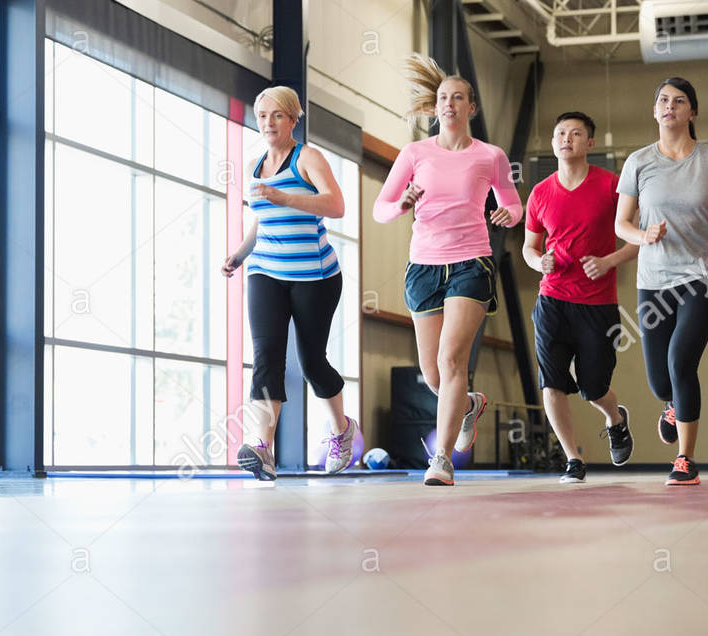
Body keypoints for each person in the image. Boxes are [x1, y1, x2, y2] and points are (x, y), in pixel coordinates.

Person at [372, 54, 522, 486]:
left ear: (471, 108)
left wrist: (508, 215)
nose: (449, 104)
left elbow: (512, 203)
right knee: (435, 374)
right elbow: (382, 207)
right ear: (435, 108)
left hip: (470, 262)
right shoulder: (415, 153)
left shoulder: (489, 156)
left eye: (458, 98)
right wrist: (401, 205)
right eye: (443, 98)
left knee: (452, 358)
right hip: (423, 265)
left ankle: (441, 458)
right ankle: (470, 404)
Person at [223, 86, 356, 480]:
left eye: (277, 115)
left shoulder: (309, 158)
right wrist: (240, 254)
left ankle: (341, 430)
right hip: (265, 270)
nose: (268, 123)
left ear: (294, 119)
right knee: (266, 356)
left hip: (315, 275)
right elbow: (261, 221)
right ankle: (261, 446)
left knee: (313, 362)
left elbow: (336, 205)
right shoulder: (253, 165)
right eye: (262, 115)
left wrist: (285, 198)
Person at [615, 77, 708, 487]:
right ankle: (669, 404)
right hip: (654, 281)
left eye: (679, 101)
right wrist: (642, 235)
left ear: (692, 112)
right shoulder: (638, 162)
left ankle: (685, 459)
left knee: (682, 360)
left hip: (703, 276)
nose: (670, 106)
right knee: (659, 381)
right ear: (654, 111)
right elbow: (622, 224)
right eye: (663, 100)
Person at [522, 110, 639, 484]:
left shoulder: (612, 186)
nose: (566, 139)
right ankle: (573, 459)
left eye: (575, 134)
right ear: (554, 142)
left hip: (598, 304)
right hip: (552, 300)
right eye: (560, 133)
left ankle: (615, 418)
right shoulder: (540, 193)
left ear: (590, 143)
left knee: (593, 387)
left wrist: (608, 262)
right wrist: (540, 262)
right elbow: (529, 247)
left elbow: (636, 239)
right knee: (551, 382)